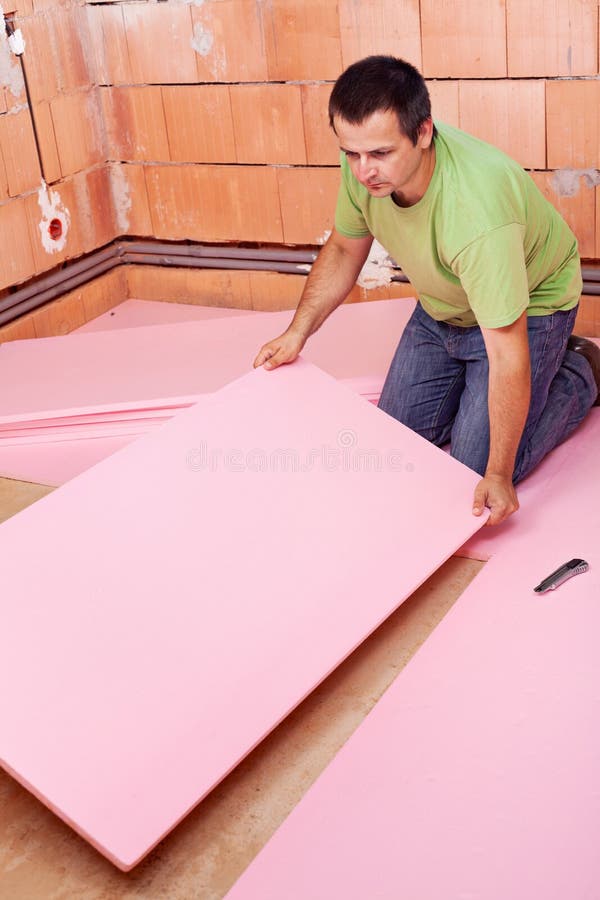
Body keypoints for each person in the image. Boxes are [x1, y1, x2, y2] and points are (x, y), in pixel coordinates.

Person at [253, 55, 600, 526]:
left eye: (379, 154)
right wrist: (298, 333)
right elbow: (343, 250)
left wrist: (499, 472)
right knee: (397, 446)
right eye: (351, 153)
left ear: (423, 133)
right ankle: (477, 386)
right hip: (445, 305)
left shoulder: (478, 213)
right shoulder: (365, 165)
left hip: (529, 305)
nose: (362, 171)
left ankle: (579, 372)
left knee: (473, 471)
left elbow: (506, 353)